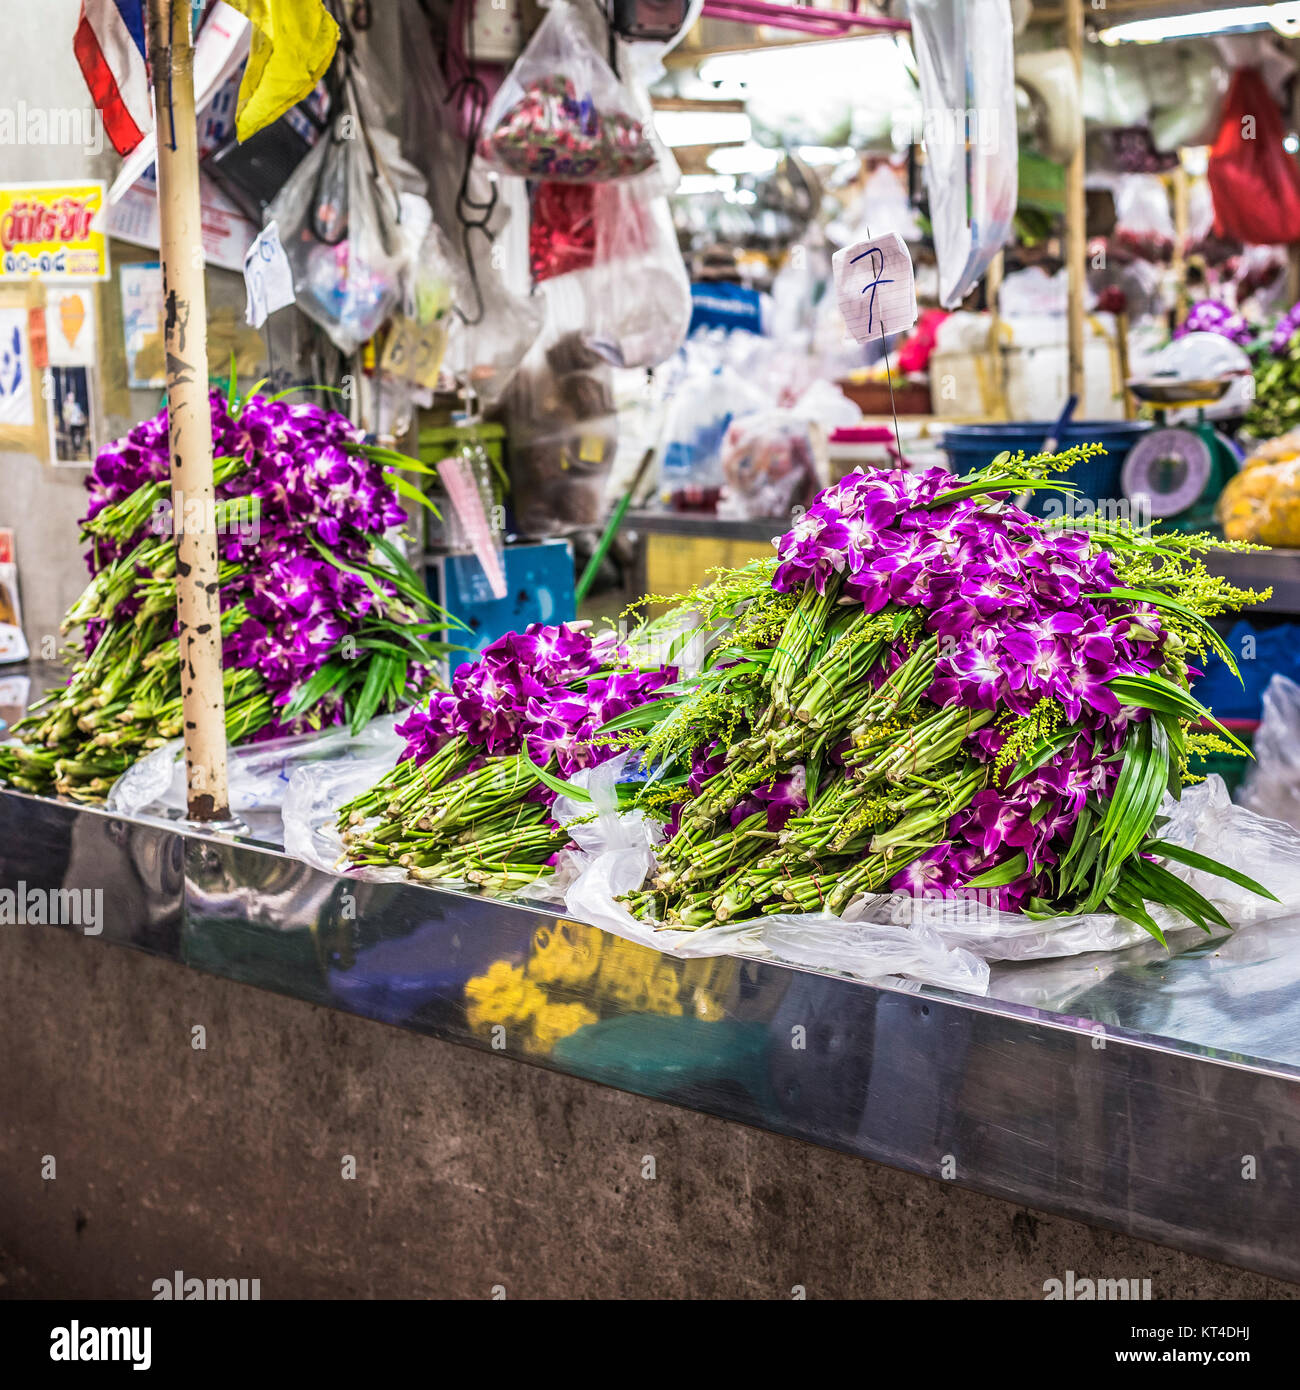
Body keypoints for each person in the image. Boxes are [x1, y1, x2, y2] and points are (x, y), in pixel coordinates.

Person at [63, 388, 87, 456]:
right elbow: (66, 416)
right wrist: (67, 423)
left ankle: (80, 446)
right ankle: (76, 448)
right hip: (72, 424)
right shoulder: (66, 406)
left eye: (72, 397)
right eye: (70, 397)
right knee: (73, 434)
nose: (71, 399)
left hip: (78, 423)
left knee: (82, 432)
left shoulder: (76, 405)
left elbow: (80, 414)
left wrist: (82, 418)